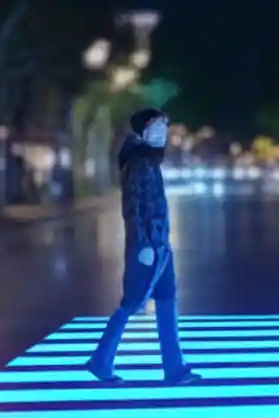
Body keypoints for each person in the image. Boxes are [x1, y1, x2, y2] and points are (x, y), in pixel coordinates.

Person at [85, 108, 201, 385]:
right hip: (147, 247)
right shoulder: (139, 163)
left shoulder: (149, 160)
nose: (162, 135)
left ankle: (174, 368)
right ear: (142, 133)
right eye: (156, 130)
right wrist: (144, 245)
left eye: (164, 130)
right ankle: (100, 361)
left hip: (160, 245)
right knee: (131, 303)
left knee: (166, 301)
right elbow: (134, 207)